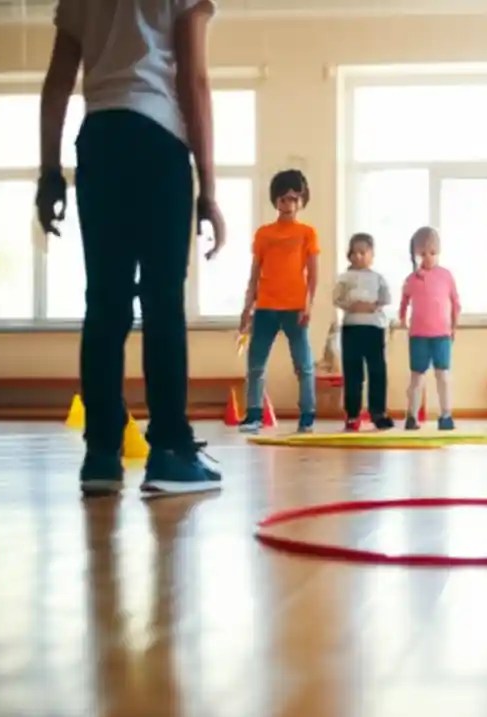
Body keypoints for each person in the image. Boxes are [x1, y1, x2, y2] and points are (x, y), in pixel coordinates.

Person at [37, 0, 224, 496]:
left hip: (99, 139)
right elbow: (194, 82)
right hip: (157, 138)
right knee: (162, 300)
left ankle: (100, 455)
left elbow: (57, 82)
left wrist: (50, 173)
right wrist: (208, 189)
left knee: (105, 301)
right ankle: (168, 450)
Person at [239, 169, 320, 434]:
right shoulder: (264, 234)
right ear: (275, 200)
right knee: (256, 363)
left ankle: (307, 414)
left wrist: (308, 304)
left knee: (304, 364)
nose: (289, 205)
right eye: (284, 199)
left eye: (294, 199)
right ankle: (253, 415)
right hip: (266, 307)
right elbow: (254, 273)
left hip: (295, 307)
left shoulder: (307, 233)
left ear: (302, 202)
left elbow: (313, 274)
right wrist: (247, 307)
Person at [397, 226, 460, 430]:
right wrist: (402, 319)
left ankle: (446, 415)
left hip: (441, 334)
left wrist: (454, 326)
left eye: (432, 253)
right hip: (418, 335)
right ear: (416, 254)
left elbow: (456, 302)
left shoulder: (446, 275)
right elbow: (404, 302)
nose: (428, 258)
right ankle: (411, 416)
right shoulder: (412, 279)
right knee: (417, 376)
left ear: (438, 252)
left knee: (443, 375)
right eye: (423, 254)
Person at [333, 232, 394, 431]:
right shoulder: (344, 277)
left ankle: (378, 413)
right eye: (354, 253)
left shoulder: (378, 278)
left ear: (371, 254)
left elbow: (386, 298)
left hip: (374, 329)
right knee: (353, 372)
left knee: (377, 370)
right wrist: (352, 305)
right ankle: (352, 414)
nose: (358, 256)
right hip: (351, 328)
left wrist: (372, 305)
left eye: (363, 252)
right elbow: (337, 298)